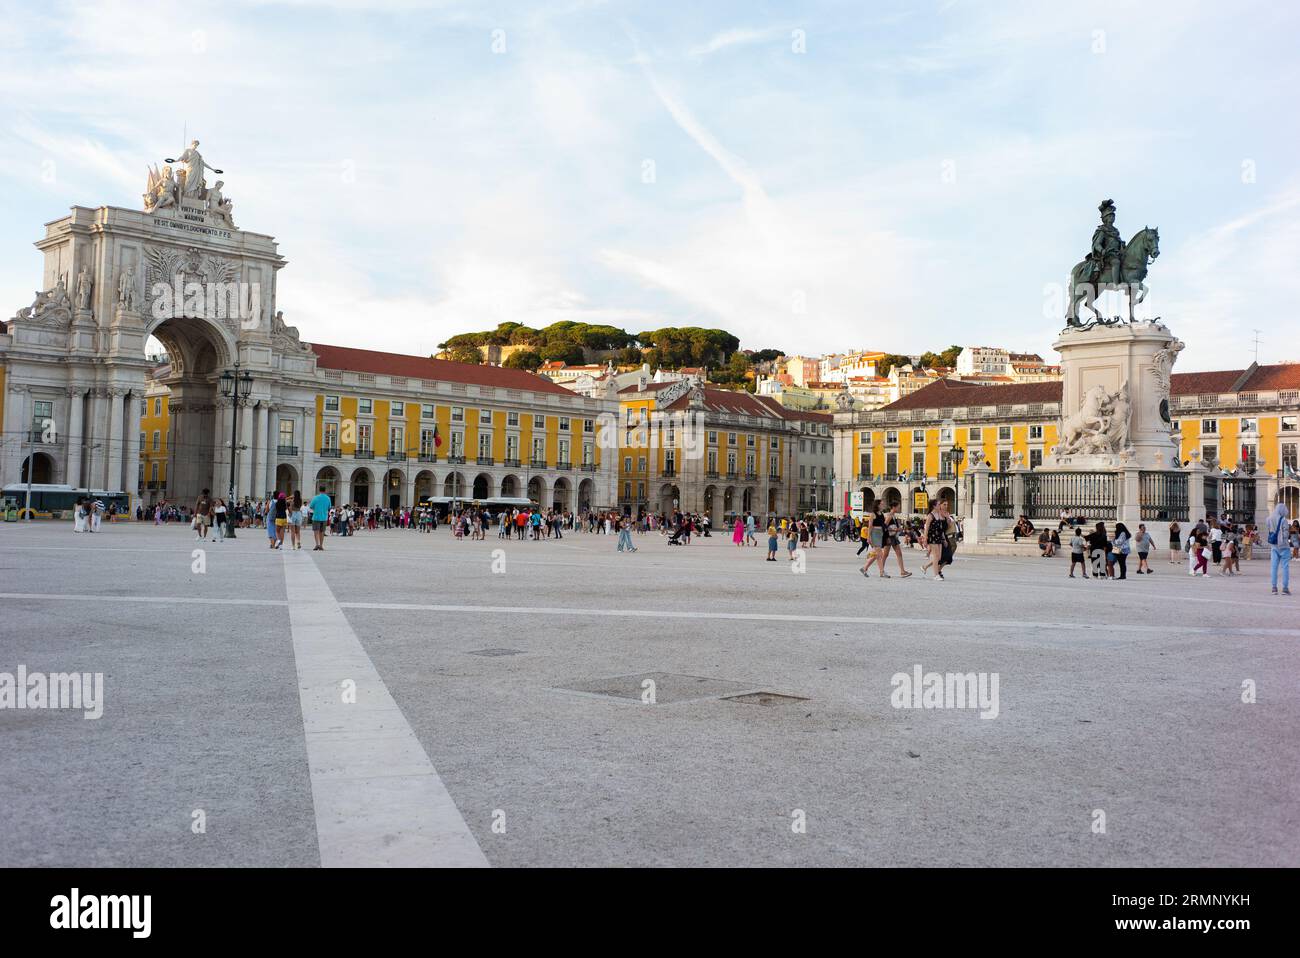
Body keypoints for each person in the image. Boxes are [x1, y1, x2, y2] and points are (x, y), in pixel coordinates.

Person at [1266, 503, 1291, 595]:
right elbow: (1286, 534)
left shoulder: (1269, 519)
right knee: (1285, 567)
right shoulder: (1283, 520)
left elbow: (1269, 530)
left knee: (1274, 567)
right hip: (1283, 546)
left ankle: (1274, 588)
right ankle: (1285, 588)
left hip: (1274, 546)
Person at [920, 501, 948, 580]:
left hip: (939, 537)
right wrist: (925, 539)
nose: (940, 506)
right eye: (938, 504)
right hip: (932, 537)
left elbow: (941, 529)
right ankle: (936, 575)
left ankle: (924, 567)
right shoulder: (930, 515)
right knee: (936, 556)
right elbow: (926, 528)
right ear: (934, 506)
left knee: (939, 557)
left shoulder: (938, 514)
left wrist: (944, 539)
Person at [309, 484, 332, 551]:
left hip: (316, 517)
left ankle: (317, 544)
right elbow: (329, 507)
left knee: (316, 531)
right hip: (324, 517)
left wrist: (316, 508)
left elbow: (311, 506)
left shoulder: (315, 497)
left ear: (319, 490)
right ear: (325, 490)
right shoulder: (328, 498)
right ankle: (321, 545)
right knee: (322, 532)